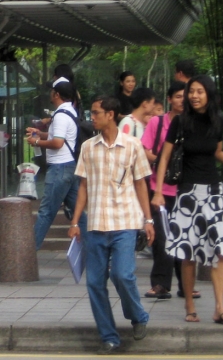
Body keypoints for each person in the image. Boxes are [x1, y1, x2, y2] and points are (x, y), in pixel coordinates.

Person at [152, 75, 223, 325]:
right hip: (187, 193)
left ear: (209, 94)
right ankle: (190, 305)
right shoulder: (180, 122)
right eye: (191, 91)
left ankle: (219, 307)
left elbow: (216, 152)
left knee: (219, 250)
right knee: (187, 252)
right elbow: (164, 157)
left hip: (213, 192)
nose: (194, 96)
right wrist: (159, 191)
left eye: (199, 91)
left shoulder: (217, 122)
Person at [68, 95, 154, 355]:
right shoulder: (88, 147)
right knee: (95, 283)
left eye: (96, 113)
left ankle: (138, 315)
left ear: (111, 114)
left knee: (122, 274)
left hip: (125, 222)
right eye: (92, 113)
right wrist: (75, 221)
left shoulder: (132, 146)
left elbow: (141, 183)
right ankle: (109, 337)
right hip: (95, 224)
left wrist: (148, 220)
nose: (91, 117)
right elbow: (83, 185)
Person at [141, 81, 188, 300]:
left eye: (185, 96)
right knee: (162, 238)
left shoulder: (193, 123)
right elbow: (144, 150)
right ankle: (160, 283)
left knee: (183, 236)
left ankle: (186, 285)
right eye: (178, 96)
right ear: (169, 99)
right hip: (158, 188)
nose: (182, 100)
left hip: (184, 189)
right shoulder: (157, 123)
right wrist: (164, 162)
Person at [26, 81, 86, 249]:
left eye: (52, 91)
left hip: (59, 168)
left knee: (46, 212)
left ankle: (27, 253)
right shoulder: (69, 111)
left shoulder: (60, 116)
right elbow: (57, 136)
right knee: (79, 214)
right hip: (69, 167)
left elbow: (58, 142)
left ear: (57, 94)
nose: (50, 94)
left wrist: (36, 141)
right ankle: (96, 249)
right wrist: (40, 134)